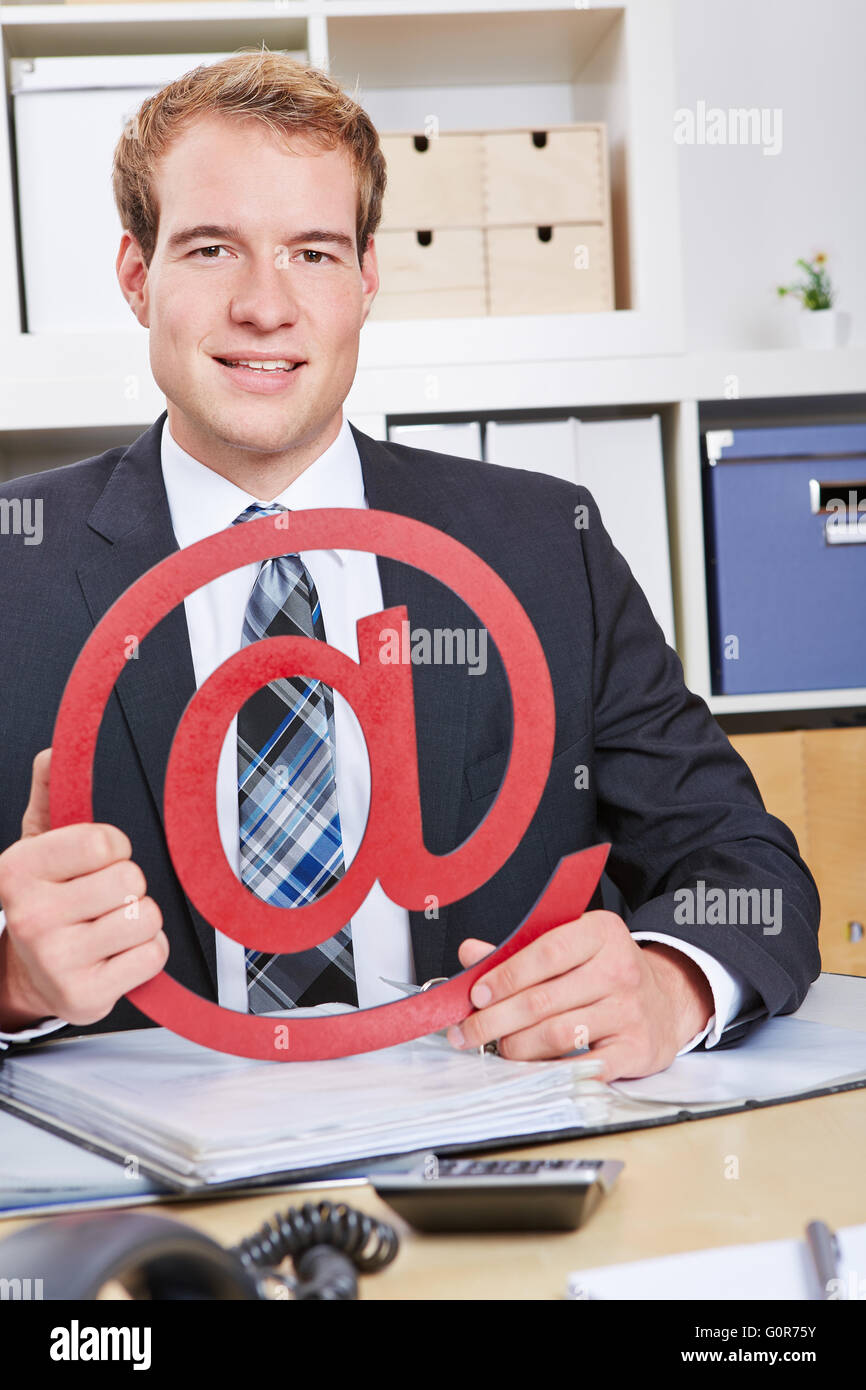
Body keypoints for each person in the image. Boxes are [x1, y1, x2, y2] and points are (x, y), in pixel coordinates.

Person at [0, 51, 820, 1080]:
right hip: (151, 1203)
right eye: (212, 250)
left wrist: (666, 981)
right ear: (136, 276)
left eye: (312, 252)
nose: (266, 304)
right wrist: (11, 977)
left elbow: (743, 870)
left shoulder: (539, 545)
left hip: (485, 1160)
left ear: (366, 279)